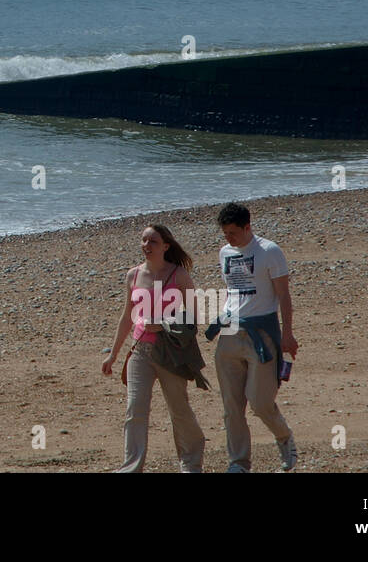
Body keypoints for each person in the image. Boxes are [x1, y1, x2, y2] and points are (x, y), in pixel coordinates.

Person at [102, 224, 206, 472]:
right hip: (140, 352)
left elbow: (194, 317)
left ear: (166, 246)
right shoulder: (133, 275)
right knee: (135, 409)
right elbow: (127, 316)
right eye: (144, 240)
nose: (146, 246)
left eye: (153, 242)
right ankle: (131, 467)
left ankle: (191, 463)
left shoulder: (178, 275)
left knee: (179, 410)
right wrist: (114, 354)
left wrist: (163, 324)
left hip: (171, 353)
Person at [208, 202, 298, 472]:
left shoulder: (269, 251)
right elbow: (232, 291)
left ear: (248, 227)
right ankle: (239, 462)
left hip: (262, 334)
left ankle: (284, 437)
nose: (228, 238)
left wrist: (287, 333)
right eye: (225, 233)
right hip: (230, 332)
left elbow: (283, 295)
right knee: (231, 406)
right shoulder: (225, 252)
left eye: (233, 233)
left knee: (259, 401)